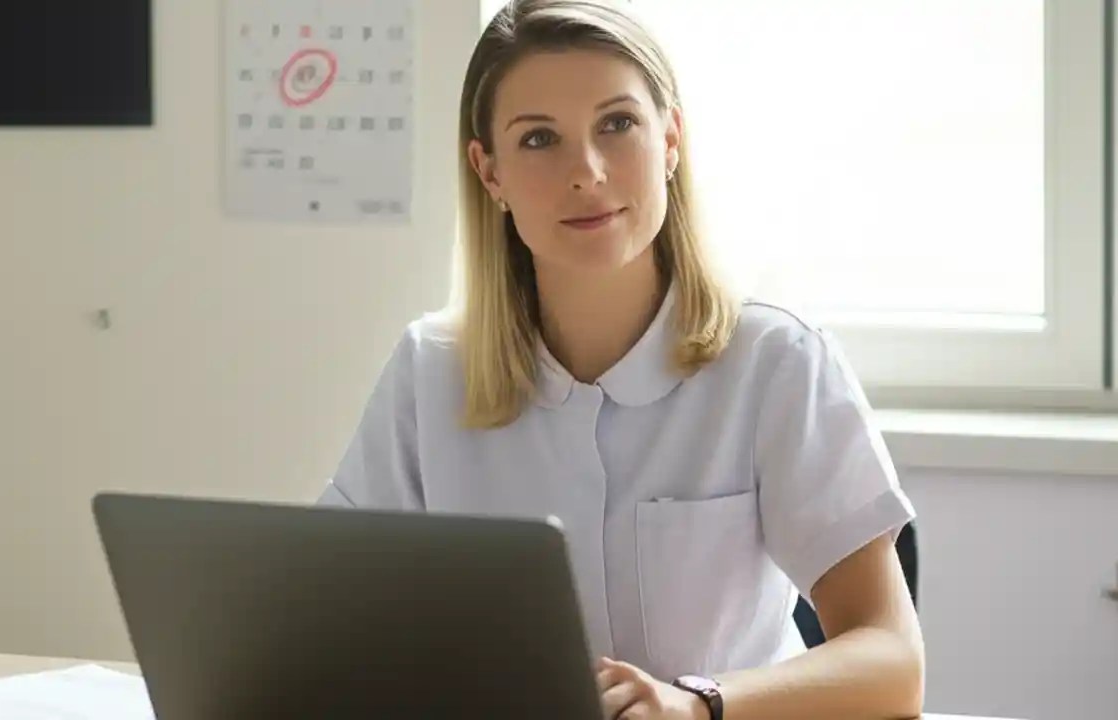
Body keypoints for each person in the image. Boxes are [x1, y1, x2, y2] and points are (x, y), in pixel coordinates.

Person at [318, 0, 924, 717]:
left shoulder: (776, 362)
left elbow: (892, 662)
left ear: (670, 139)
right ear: (490, 174)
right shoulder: (430, 370)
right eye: (539, 139)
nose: (588, 171)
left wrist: (698, 705)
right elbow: (326, 618)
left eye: (618, 125)